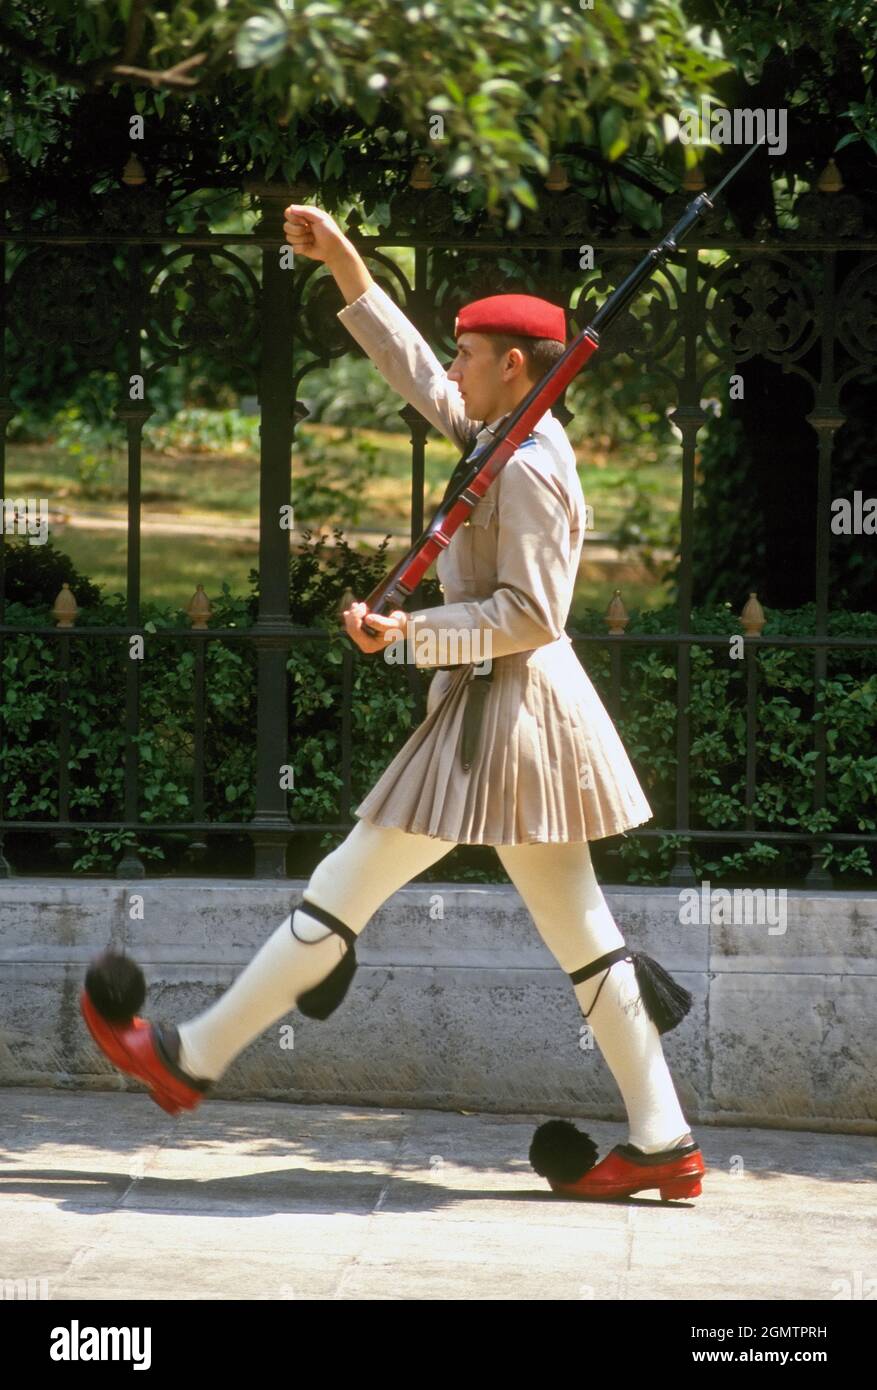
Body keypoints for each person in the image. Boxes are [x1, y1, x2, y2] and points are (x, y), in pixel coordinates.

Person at [80, 203, 705, 1203]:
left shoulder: (533, 468)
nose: (451, 367)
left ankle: (188, 1058)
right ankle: (664, 1140)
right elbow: (413, 371)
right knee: (583, 934)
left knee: (346, 878)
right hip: (504, 713)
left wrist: (409, 634)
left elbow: (531, 615)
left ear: (513, 366)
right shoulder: (502, 430)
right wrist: (350, 271)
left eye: (469, 353)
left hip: (508, 714)